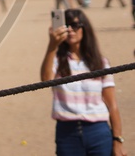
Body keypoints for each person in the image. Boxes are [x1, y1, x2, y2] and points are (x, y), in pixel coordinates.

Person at [40, 9, 126, 156]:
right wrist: (52, 45)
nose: (71, 30)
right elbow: (46, 80)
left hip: (98, 132)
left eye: (75, 25)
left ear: (84, 28)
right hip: (67, 134)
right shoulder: (57, 60)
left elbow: (112, 104)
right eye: (66, 26)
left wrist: (117, 139)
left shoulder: (100, 62)